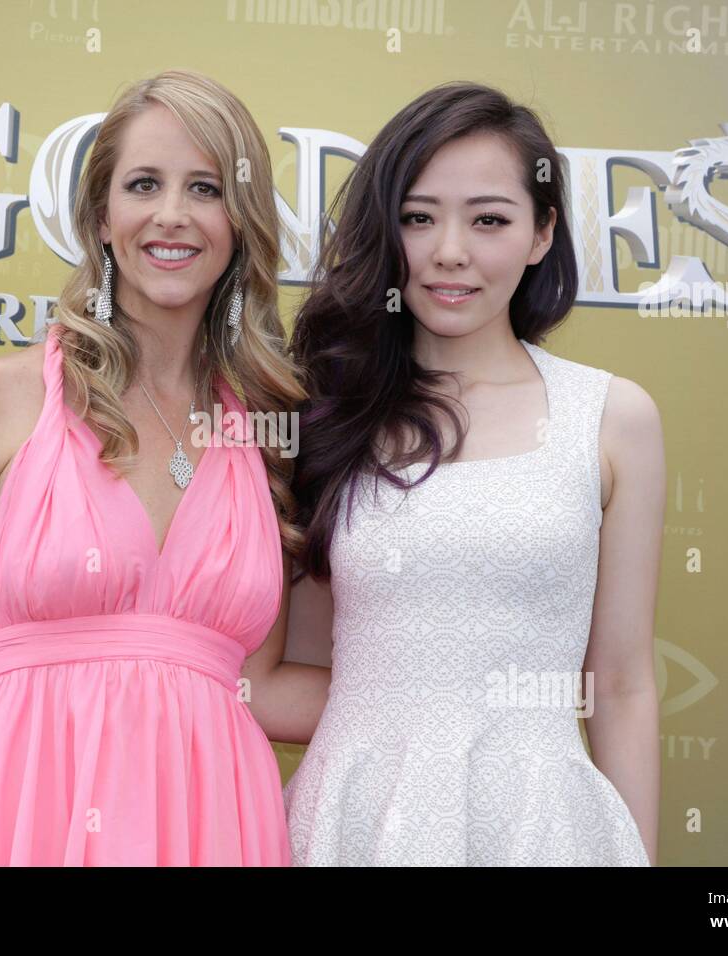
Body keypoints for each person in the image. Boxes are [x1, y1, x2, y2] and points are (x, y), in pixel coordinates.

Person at [0, 69, 314, 866]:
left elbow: (260, 686)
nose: (171, 216)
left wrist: (476, 700)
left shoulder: (268, 436)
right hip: (11, 820)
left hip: (210, 829)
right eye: (144, 184)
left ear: (241, 220)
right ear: (100, 214)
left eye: (205, 188)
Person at [280, 81, 664, 865]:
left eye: (489, 219)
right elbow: (308, 672)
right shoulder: (328, 416)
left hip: (543, 830)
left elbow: (621, 686)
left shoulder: (614, 418)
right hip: (356, 823)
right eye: (419, 218)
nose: (450, 250)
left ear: (541, 232)